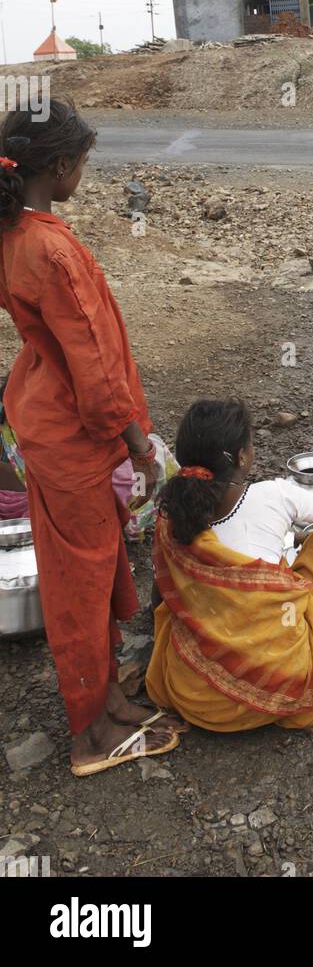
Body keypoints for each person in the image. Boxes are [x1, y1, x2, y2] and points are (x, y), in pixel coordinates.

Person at [0, 100, 183, 776]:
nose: (85, 172)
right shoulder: (50, 248)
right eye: (83, 162)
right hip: (74, 435)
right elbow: (97, 369)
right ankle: (90, 733)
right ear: (60, 165)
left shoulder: (15, 232)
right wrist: (140, 445)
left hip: (46, 424)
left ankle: (106, 694)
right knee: (78, 586)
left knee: (96, 563)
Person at [146, 398, 313, 732]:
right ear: (242, 456)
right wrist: (305, 534)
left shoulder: (170, 518)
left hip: (198, 698)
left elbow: (161, 597)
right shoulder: (275, 495)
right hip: (287, 685)